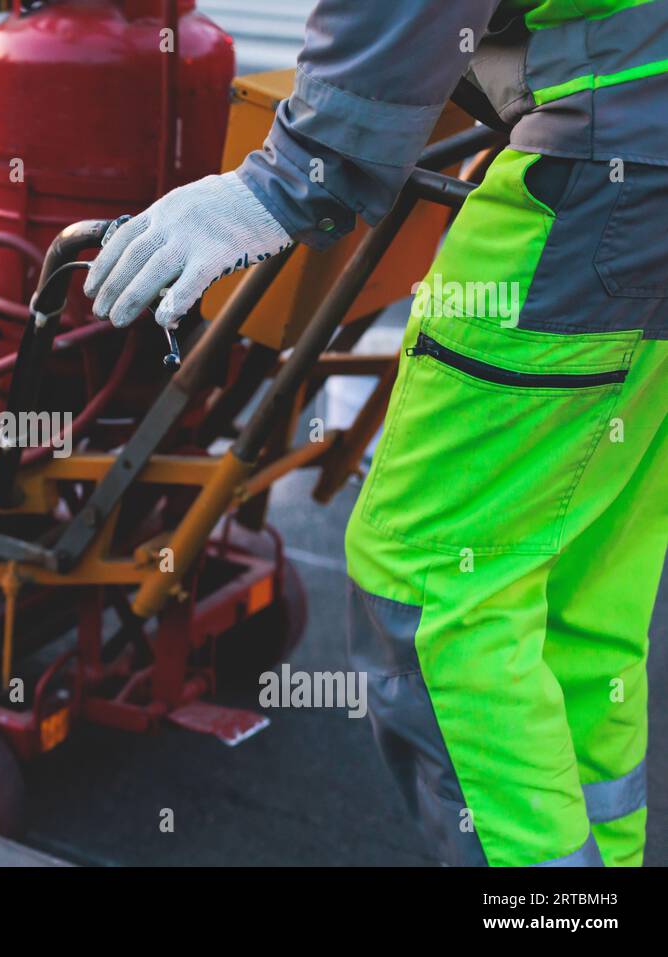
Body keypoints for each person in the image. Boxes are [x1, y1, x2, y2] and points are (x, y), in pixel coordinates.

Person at [85, 0, 667, 867]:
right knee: (577, 588)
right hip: (641, 144)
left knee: (431, 586)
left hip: (604, 167)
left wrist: (283, 178)